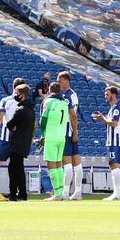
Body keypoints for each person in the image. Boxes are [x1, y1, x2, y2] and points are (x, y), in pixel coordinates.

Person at [92, 84, 120, 201]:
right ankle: (116, 193)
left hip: (115, 140)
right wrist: (104, 118)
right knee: (112, 165)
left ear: (114, 95)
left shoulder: (117, 107)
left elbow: (114, 123)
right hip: (111, 140)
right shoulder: (112, 108)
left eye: (107, 94)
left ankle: (117, 194)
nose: (105, 96)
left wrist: (103, 119)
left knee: (114, 165)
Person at [37, 85, 71, 202]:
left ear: (50, 90)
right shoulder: (64, 103)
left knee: (52, 166)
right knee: (58, 166)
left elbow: (43, 120)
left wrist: (42, 135)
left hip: (51, 136)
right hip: (61, 137)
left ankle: (57, 194)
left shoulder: (49, 101)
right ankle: (61, 193)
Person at [56, 70, 83, 200]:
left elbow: (72, 115)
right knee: (76, 163)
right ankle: (78, 192)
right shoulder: (74, 94)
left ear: (66, 80)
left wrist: (74, 132)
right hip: (71, 131)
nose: (58, 83)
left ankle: (65, 193)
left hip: (66, 131)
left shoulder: (66, 96)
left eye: (59, 80)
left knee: (66, 162)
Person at [5, 84, 34, 200]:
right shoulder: (31, 110)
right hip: (25, 143)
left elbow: (9, 124)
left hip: (17, 143)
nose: (15, 95)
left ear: (22, 94)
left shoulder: (20, 109)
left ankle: (13, 194)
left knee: (13, 169)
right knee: (19, 169)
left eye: (17, 93)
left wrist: (14, 127)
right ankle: (22, 193)